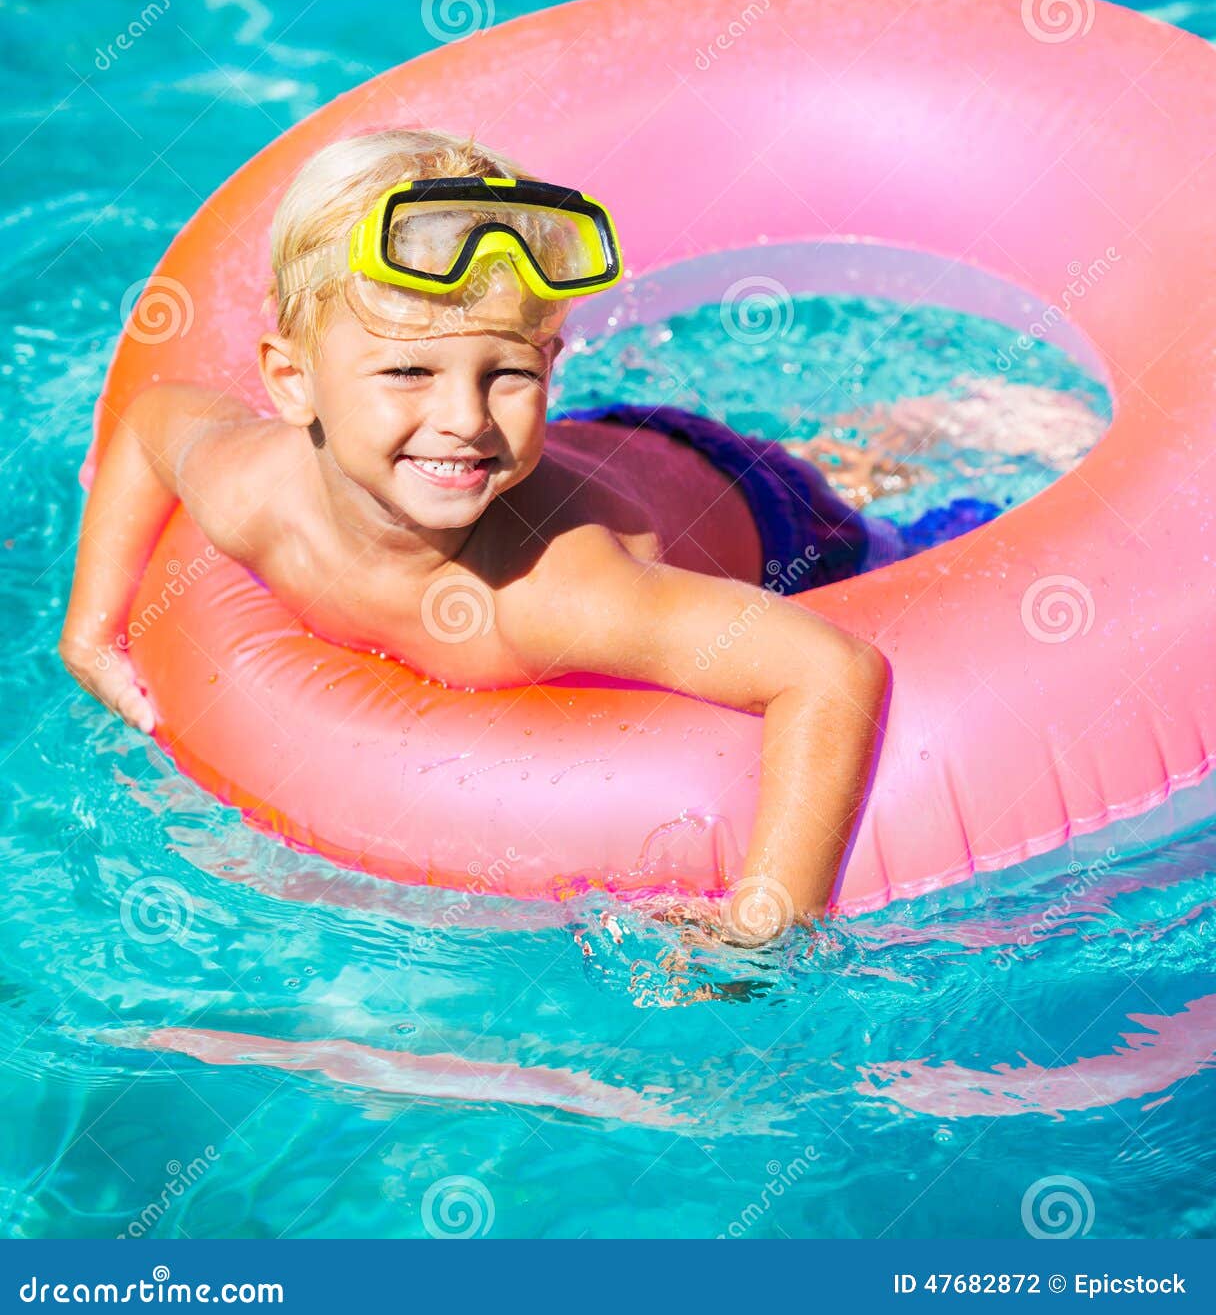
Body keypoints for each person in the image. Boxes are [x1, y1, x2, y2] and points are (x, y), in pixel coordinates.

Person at [60, 128, 1082, 944]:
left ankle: (934, 427)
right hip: (627, 456)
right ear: (291, 383)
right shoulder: (250, 494)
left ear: (550, 366)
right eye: (409, 374)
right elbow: (154, 429)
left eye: (507, 374)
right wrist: (93, 627)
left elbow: (829, 667)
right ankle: (878, 438)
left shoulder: (551, 592)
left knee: (899, 528)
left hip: (763, 515)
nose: (464, 418)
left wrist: (765, 920)